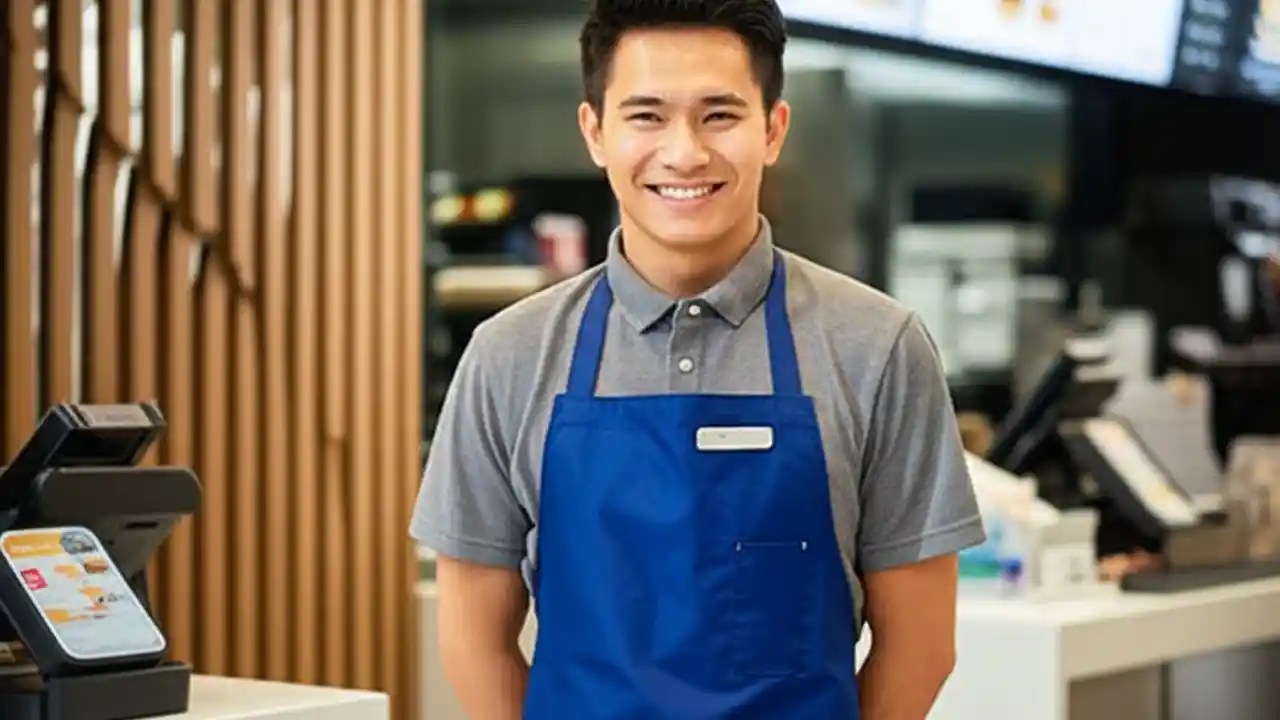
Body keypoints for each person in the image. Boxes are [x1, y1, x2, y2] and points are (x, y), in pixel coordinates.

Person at [410, 1, 986, 717]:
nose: (684, 152)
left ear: (773, 130)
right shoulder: (508, 355)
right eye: (646, 115)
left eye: (719, 115)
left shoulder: (880, 347)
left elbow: (921, 646)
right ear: (595, 132)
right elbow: (473, 640)